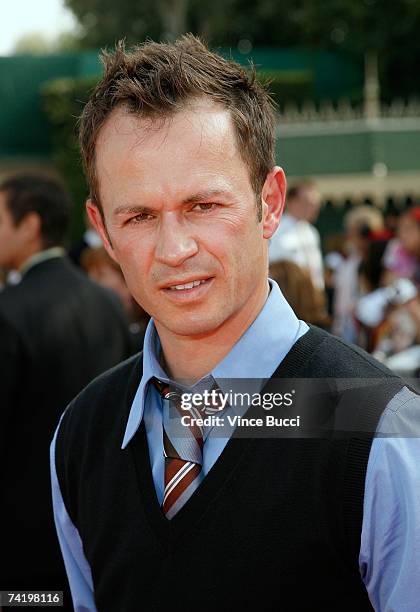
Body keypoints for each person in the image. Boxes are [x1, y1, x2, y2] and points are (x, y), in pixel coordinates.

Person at [51, 37, 420, 611]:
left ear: (269, 202)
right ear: (103, 228)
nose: (174, 249)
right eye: (140, 215)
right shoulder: (80, 437)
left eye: (204, 206)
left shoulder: (379, 433)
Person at [0, 175, 131, 598]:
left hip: (24, 533)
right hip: (101, 518)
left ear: (30, 225)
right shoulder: (108, 303)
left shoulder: (9, 312)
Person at [269, 179, 324, 290]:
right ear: (292, 202)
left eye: (316, 203)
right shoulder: (276, 231)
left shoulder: (311, 232)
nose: (314, 207)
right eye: (308, 202)